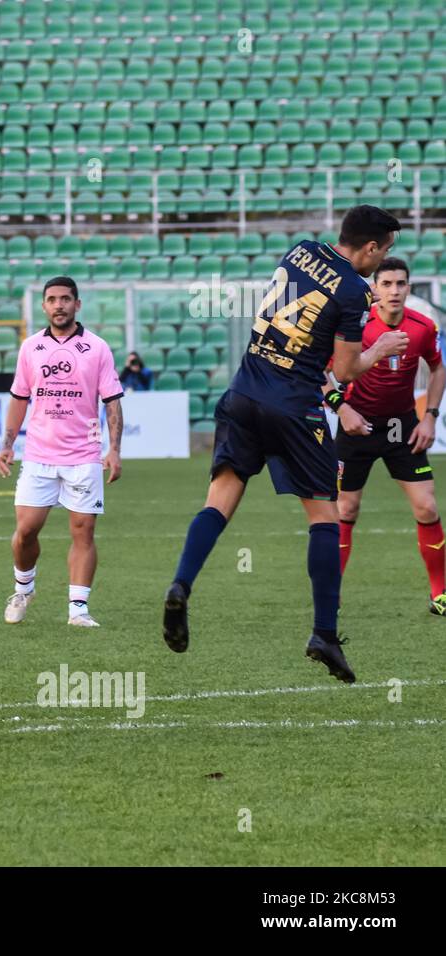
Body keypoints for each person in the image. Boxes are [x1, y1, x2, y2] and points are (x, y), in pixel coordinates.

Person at [163, 206, 407, 683]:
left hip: (242, 394)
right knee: (324, 516)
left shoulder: (300, 251)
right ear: (372, 247)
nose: (384, 265)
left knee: (219, 501)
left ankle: (181, 584)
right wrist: (380, 349)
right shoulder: (356, 291)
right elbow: (343, 370)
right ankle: (324, 634)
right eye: (386, 252)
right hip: (294, 408)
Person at [0, 276, 124, 628]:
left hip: (84, 456)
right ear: (44, 306)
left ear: (77, 304)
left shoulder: (97, 348)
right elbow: (20, 398)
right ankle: (24, 589)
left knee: (82, 530)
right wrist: (7, 445)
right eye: (52, 299)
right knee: (26, 531)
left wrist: (114, 449)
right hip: (38, 455)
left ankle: (78, 610)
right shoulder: (30, 348)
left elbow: (111, 401)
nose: (59, 305)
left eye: (66, 299)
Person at [326, 256, 446, 613]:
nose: (394, 291)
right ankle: (331, 596)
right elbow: (319, 371)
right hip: (356, 426)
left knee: (426, 507)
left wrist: (430, 417)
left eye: (401, 284)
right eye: (387, 284)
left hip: (402, 427)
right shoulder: (354, 327)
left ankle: (440, 593)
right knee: (346, 508)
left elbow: (437, 369)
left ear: (409, 288)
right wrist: (342, 408)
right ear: (375, 288)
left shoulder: (423, 327)